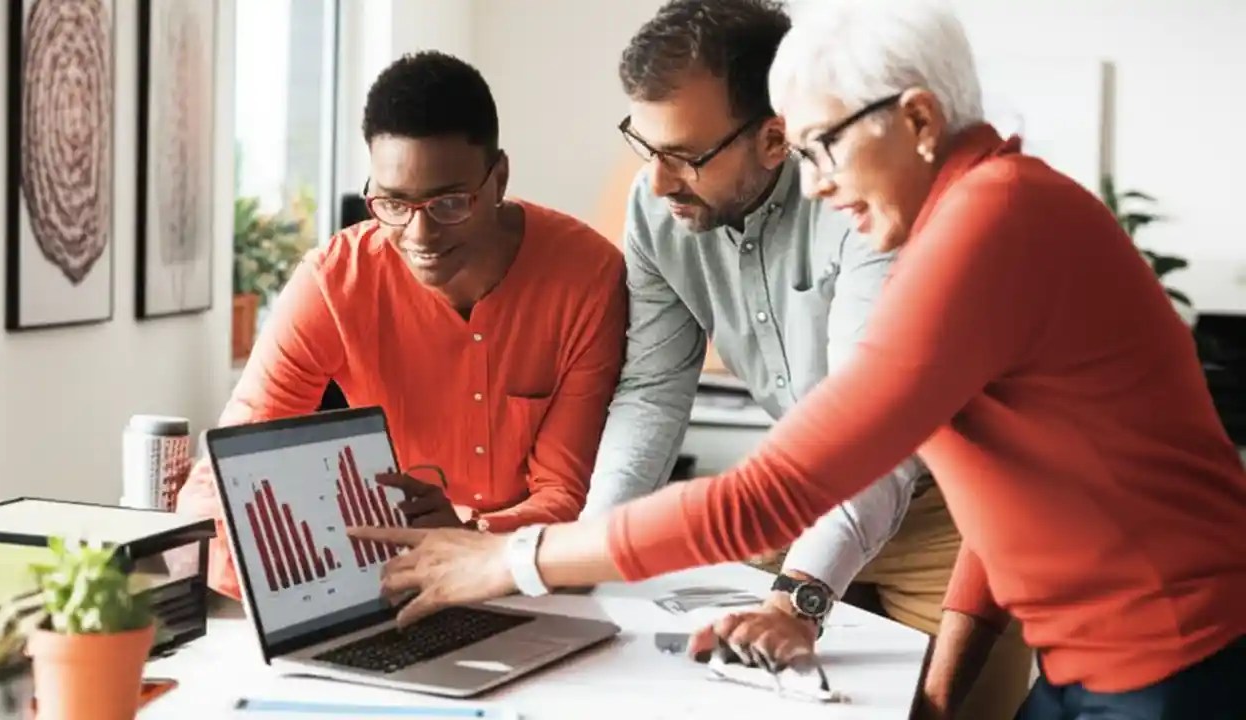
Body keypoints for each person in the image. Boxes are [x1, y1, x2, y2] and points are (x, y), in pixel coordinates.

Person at [351, 2, 1246, 718]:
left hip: (1169, 654)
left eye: (821, 145)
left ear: (920, 121)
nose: (812, 181)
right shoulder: (990, 208)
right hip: (1103, 651)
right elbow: (1008, 480)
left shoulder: (985, 229)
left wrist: (519, 559)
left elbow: (782, 490)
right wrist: (943, 678)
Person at [579, 1, 1030, 716]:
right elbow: (651, 391)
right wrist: (591, 550)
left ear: (773, 138)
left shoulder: (867, 203)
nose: (659, 182)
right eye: (645, 143)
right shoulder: (655, 208)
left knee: (951, 712)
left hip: (947, 516)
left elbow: (878, 430)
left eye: (685, 156)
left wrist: (800, 599)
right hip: (802, 494)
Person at [177, 51, 628, 601]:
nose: (420, 236)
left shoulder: (588, 275)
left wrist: (468, 539)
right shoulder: (332, 283)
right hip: (389, 581)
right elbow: (226, 474)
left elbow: (564, 497)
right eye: (392, 203)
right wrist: (310, 590)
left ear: (500, 178)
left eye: (449, 204)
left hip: (532, 583)